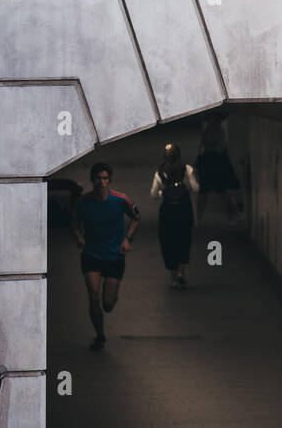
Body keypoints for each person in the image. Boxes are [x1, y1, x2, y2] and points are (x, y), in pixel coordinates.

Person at [71, 162, 140, 350]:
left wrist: (127, 239)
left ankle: (111, 298)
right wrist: (79, 237)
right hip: (91, 254)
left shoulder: (120, 200)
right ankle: (100, 334)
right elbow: (75, 222)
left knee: (107, 304)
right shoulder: (83, 203)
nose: (102, 182)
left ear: (109, 180)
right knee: (93, 296)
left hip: (114, 255)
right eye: (98, 178)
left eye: (105, 178)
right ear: (92, 180)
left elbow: (136, 217)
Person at [150, 143, 199, 287]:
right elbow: (196, 188)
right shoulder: (187, 169)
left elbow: (153, 194)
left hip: (168, 212)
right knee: (184, 240)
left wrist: (164, 192)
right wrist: (186, 189)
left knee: (168, 242)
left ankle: (172, 278)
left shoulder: (159, 172)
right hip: (184, 210)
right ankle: (181, 272)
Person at [194, 108, 242, 225]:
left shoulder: (218, 130)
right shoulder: (209, 128)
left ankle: (235, 212)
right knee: (209, 191)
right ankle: (198, 219)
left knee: (217, 191)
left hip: (213, 162)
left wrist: (209, 148)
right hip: (208, 161)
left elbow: (220, 147)